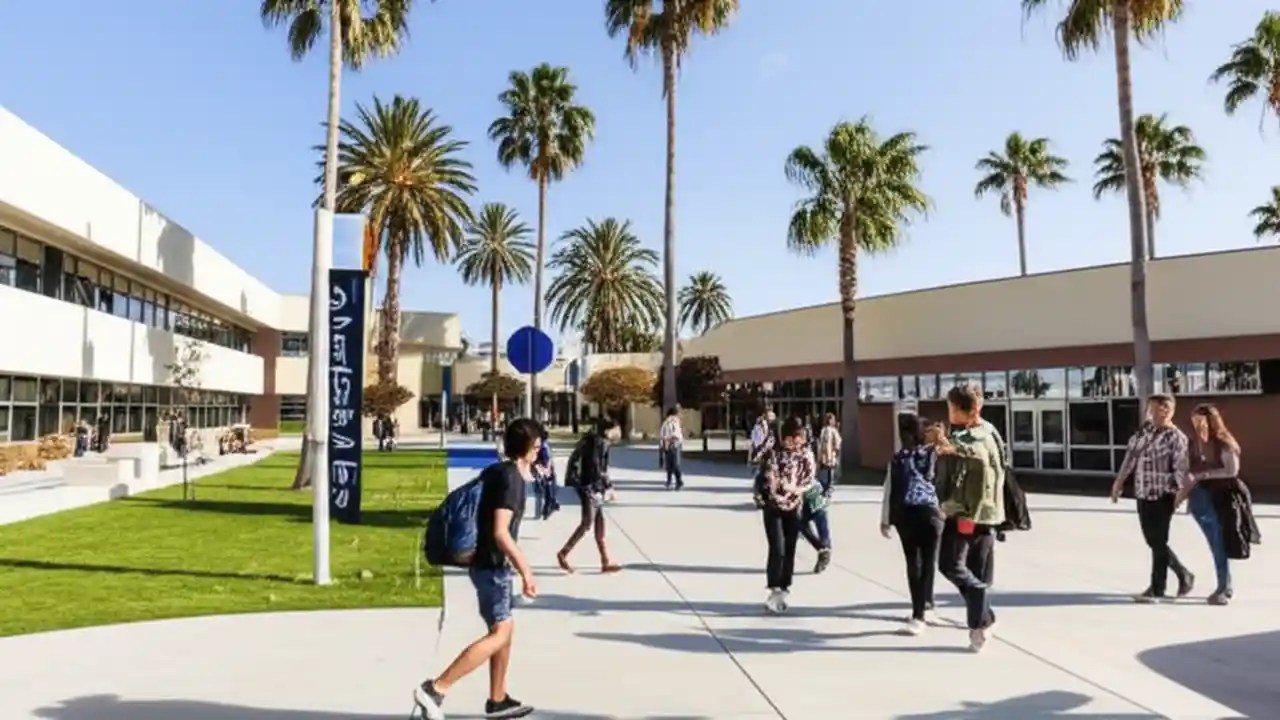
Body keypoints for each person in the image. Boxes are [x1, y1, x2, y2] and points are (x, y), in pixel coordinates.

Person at [413, 418, 542, 720]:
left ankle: (498, 699)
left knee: (503, 631)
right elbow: (501, 531)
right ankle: (436, 688)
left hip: (488, 565)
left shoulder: (499, 471)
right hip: (493, 567)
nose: (539, 448)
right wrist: (526, 571)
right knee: (500, 633)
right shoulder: (510, 479)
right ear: (527, 446)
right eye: (537, 443)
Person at [935, 383, 1006, 653]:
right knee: (976, 573)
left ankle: (980, 621)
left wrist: (950, 449)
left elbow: (975, 455)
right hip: (987, 513)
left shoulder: (972, 439)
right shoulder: (989, 430)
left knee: (951, 565)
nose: (949, 412)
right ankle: (984, 622)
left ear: (965, 410)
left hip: (968, 512)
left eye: (951, 408)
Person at [1110, 394, 1195, 604]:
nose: (1151, 412)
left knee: (1159, 541)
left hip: (1162, 495)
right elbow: (1130, 456)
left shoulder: (1176, 437)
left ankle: (1157, 588)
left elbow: (1180, 469)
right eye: (1150, 408)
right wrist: (1119, 482)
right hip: (1142, 491)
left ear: (1167, 410)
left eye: (1156, 408)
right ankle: (1184, 574)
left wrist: (1175, 495)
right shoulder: (1145, 431)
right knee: (1152, 540)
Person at [880, 414, 944, 635]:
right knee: (927, 562)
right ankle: (927, 606)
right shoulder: (932, 453)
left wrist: (885, 519)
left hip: (908, 513)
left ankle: (919, 615)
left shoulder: (899, 458)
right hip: (931, 513)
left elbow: (890, 489)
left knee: (914, 563)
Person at [1175, 403, 1240, 605]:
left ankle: (1224, 587)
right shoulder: (1194, 442)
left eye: (1201, 421)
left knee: (1219, 543)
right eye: (1194, 421)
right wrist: (1183, 494)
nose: (1197, 425)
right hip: (1199, 498)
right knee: (1214, 544)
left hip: (1218, 497)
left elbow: (1232, 470)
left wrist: (1203, 474)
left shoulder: (1223, 442)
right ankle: (1223, 584)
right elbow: (1188, 470)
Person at [753, 417, 815, 614]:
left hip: (794, 505)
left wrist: (795, 489)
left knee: (790, 549)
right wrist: (775, 489)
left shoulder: (806, 455)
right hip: (773, 506)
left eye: (801, 436)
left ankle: (784, 588)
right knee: (777, 548)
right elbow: (768, 476)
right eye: (796, 436)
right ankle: (774, 587)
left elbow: (809, 480)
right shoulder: (774, 454)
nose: (799, 440)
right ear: (787, 437)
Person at [557, 417, 622, 574]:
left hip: (591, 487)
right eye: (616, 430)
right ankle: (563, 553)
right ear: (608, 430)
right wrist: (608, 486)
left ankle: (605, 561)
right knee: (587, 523)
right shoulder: (601, 443)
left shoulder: (593, 441)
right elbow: (598, 468)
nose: (618, 433)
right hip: (590, 488)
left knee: (599, 522)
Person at [533, 428, 560, 520]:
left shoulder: (542, 446)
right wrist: (547, 472)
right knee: (547, 491)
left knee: (542, 491)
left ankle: (544, 511)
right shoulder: (544, 446)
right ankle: (546, 510)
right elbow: (547, 461)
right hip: (544, 471)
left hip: (542, 470)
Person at [660, 407, 684, 490]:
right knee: (670, 464)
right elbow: (665, 434)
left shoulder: (672, 422)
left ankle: (678, 481)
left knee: (673, 464)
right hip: (671, 444)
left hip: (673, 445)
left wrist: (665, 442)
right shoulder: (670, 422)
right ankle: (671, 481)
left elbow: (676, 435)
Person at [817, 413, 841, 491]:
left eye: (830, 419)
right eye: (827, 419)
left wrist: (836, 456)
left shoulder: (833, 431)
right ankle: (825, 488)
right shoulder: (823, 430)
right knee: (823, 476)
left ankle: (829, 488)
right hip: (823, 458)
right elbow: (820, 444)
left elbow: (837, 444)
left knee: (830, 474)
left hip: (830, 457)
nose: (828, 421)